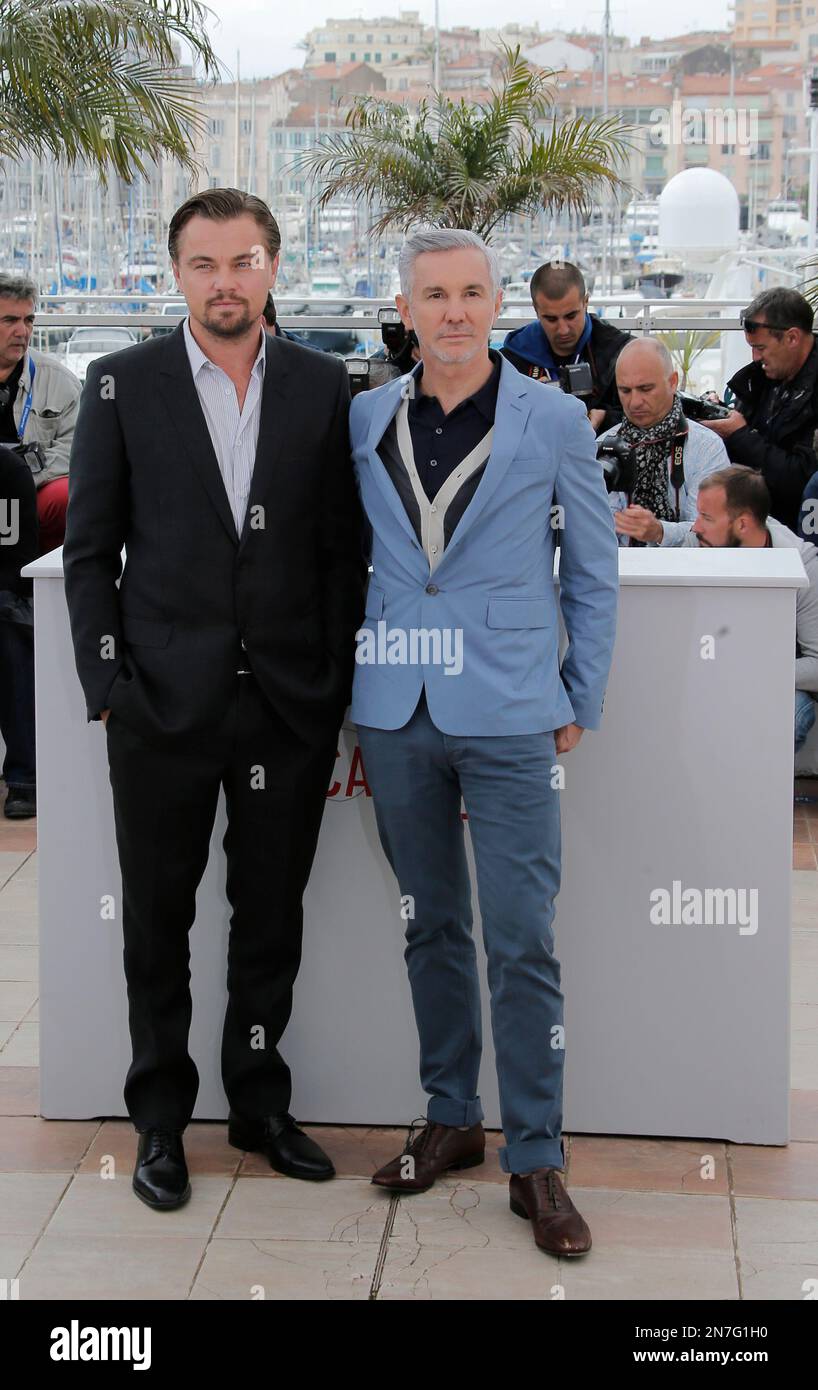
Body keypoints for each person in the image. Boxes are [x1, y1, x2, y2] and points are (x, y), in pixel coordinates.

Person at [63, 188, 365, 1210]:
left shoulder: (327, 387)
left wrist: (327, 684)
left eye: (242, 262)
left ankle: (257, 1100)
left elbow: (339, 550)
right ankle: (158, 1119)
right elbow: (90, 549)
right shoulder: (120, 384)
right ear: (175, 273)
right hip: (160, 705)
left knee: (268, 918)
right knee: (157, 919)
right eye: (204, 264)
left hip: (286, 702)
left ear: (273, 266)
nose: (224, 282)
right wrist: (107, 681)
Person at [349, 228, 619, 1259]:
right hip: (396, 707)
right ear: (407, 308)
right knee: (429, 926)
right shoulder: (366, 415)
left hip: (510, 710)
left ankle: (537, 1155)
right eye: (433, 295)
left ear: (492, 302)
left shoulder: (550, 417)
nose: (453, 311)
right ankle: (450, 1114)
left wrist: (578, 690)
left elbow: (588, 569)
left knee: (521, 938)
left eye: (470, 293)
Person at [683, 464, 818, 752]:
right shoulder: (695, 545)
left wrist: (750, 669)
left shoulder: (803, 567)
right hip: (704, 674)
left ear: (742, 524)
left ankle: (759, 797)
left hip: (775, 683)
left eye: (706, 517)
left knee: (787, 716)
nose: (695, 526)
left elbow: (817, 664)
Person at [699, 288, 818, 533]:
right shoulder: (765, 377)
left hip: (796, 529)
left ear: (792, 338)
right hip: (756, 517)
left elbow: (803, 479)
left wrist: (739, 435)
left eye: (761, 347)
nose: (755, 357)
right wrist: (721, 414)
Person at [599, 338, 729, 546]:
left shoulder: (707, 448)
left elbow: (712, 536)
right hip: (617, 573)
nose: (635, 402)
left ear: (673, 382)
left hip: (688, 575)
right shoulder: (603, 446)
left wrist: (659, 532)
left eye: (645, 388)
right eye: (625, 391)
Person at [0, 272, 81, 553]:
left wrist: (21, 476)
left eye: (29, 320)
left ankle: (39, 587)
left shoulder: (60, 381)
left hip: (34, 486)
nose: (22, 331)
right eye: (10, 320)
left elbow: (76, 448)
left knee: (67, 496)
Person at [501, 260, 631, 434]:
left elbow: (650, 411)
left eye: (571, 316)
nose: (563, 329)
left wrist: (607, 419)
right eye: (551, 319)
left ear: (586, 302)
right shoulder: (511, 361)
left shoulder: (619, 351)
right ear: (536, 310)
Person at [0, 443, 39, 818]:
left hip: (6, 596)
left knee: (10, 645)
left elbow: (19, 559)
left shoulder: (9, 470)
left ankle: (24, 779)